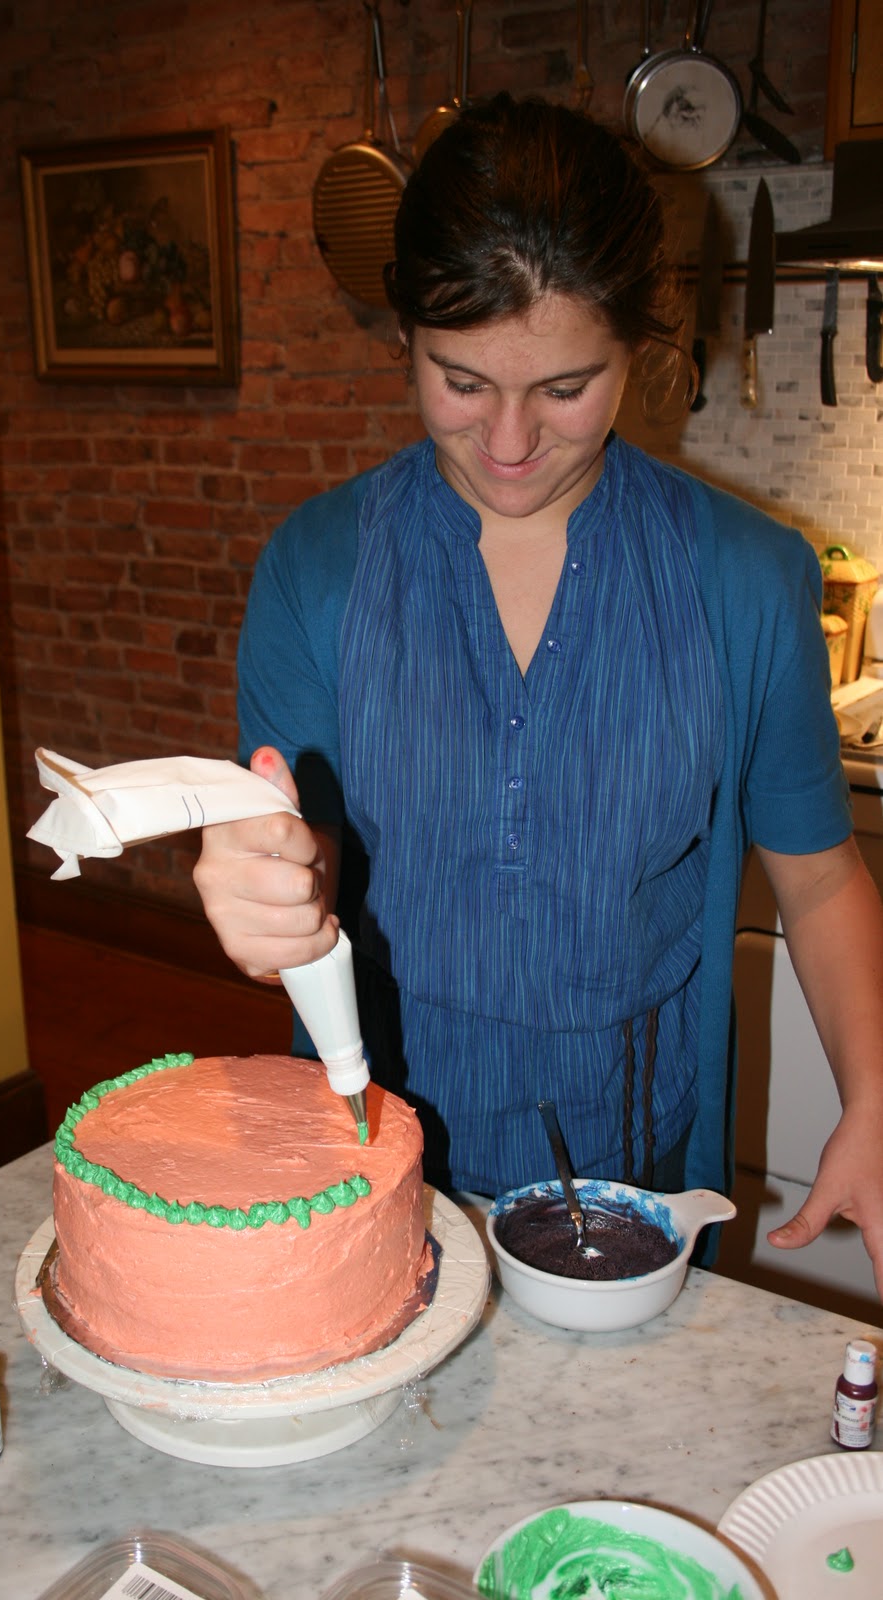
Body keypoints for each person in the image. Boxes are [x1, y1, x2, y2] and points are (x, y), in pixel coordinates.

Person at [194, 93, 883, 1295]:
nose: (507, 441)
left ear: (639, 352)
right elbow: (285, 858)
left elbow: (820, 878)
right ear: (404, 336)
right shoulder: (318, 570)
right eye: (460, 381)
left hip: (637, 1165)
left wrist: (876, 1095)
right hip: (375, 1153)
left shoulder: (742, 580)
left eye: (565, 387)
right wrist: (258, 897)